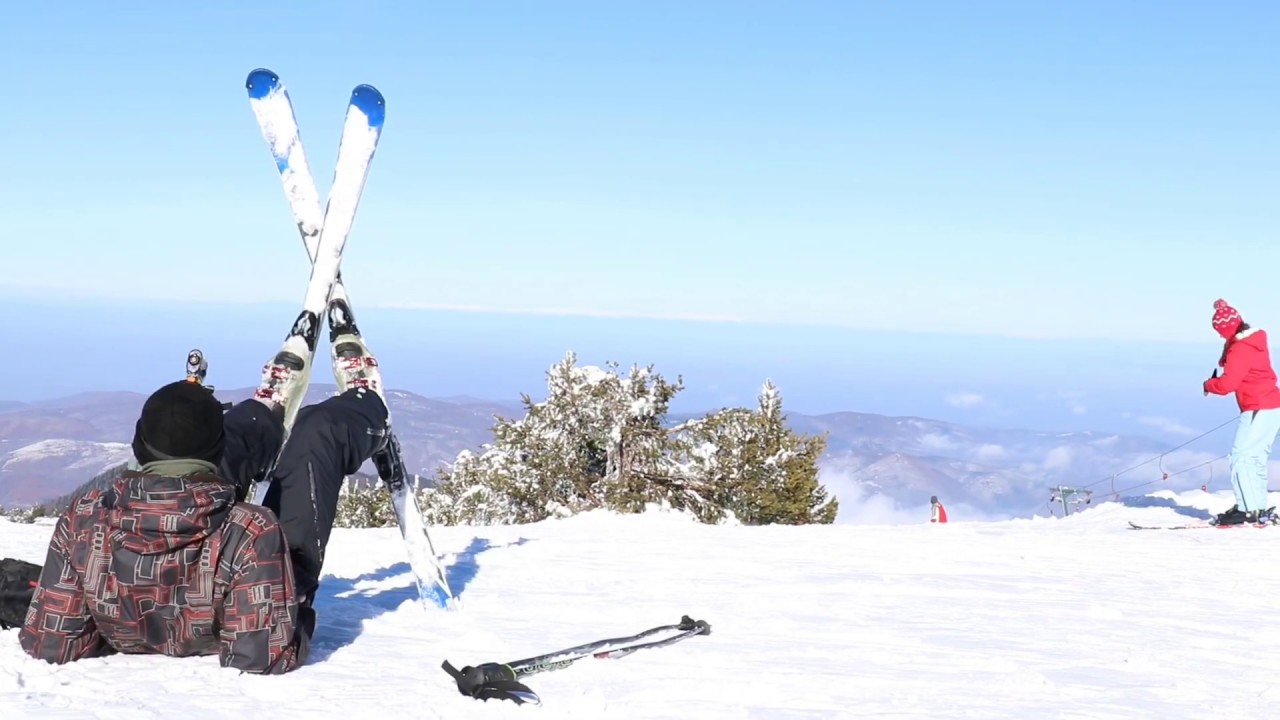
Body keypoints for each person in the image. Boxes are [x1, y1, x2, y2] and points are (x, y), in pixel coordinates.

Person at [13, 296, 393, 673]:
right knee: (317, 436)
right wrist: (296, 617)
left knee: (210, 443)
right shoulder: (251, 532)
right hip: (247, 575)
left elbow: (53, 642)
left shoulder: (84, 520)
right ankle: (366, 403)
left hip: (156, 568)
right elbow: (263, 654)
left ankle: (265, 413)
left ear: (138, 446)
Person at [1203, 298, 1280, 525]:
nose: (1219, 335)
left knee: (1242, 457)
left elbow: (1228, 384)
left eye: (1219, 331)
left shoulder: (1240, 348)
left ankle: (1248, 510)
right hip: (1270, 405)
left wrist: (1209, 385)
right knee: (1254, 457)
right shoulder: (1252, 341)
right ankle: (1255, 508)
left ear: (1226, 328)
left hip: (1259, 406)